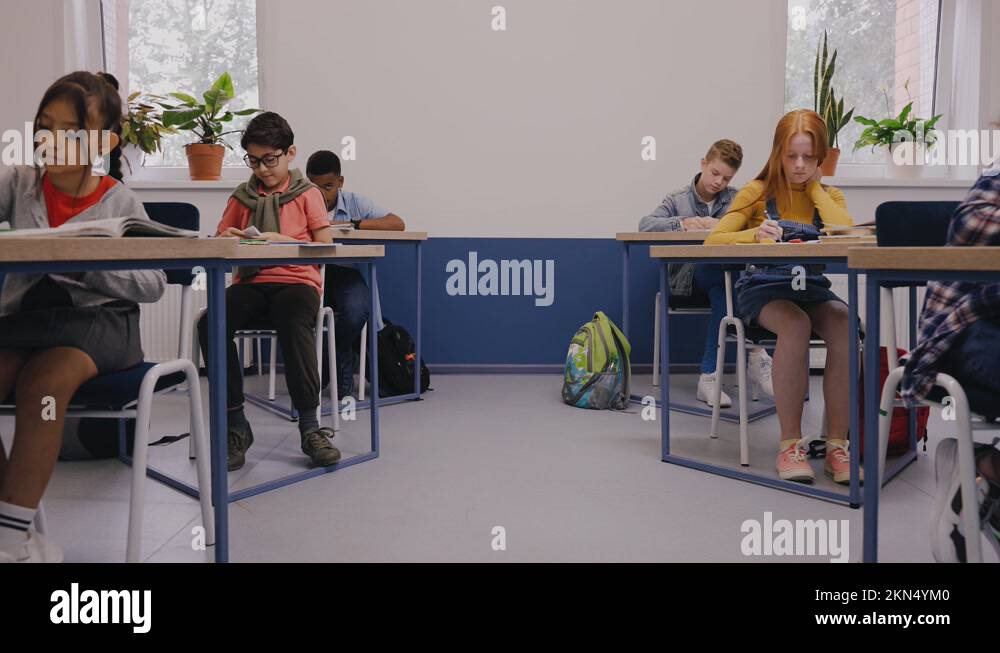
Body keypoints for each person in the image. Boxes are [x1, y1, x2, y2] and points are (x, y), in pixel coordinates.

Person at [0, 71, 166, 562]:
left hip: (101, 326)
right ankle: (16, 529)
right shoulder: (18, 183)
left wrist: (87, 263)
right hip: (27, 323)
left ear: (105, 141)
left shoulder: (120, 200)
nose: (50, 141)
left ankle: (9, 542)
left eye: (70, 131)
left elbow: (153, 283)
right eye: (43, 126)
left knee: (44, 386)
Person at [706, 109, 858, 485]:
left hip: (812, 288)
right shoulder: (757, 192)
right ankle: (790, 444)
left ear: (821, 158)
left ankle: (837, 444)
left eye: (809, 157)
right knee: (795, 323)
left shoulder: (829, 195)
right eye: (792, 156)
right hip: (763, 290)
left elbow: (848, 234)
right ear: (777, 154)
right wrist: (752, 235)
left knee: (843, 322)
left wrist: (817, 189)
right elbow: (714, 241)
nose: (800, 165)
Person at [197, 112, 340, 472]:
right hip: (252, 283)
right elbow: (220, 240)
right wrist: (229, 237)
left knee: (294, 319)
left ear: (290, 153)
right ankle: (235, 427)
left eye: (269, 160)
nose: (261, 169)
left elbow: (325, 243)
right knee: (210, 322)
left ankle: (310, 427)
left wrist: (280, 240)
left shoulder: (307, 194)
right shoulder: (241, 197)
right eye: (253, 160)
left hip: (297, 283)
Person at [639, 139, 772, 406]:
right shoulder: (678, 200)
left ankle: (709, 376)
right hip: (687, 279)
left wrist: (725, 228)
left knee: (726, 285)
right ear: (703, 164)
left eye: (726, 178)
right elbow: (645, 225)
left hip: (726, 280)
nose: (718, 182)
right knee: (728, 279)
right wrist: (683, 222)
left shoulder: (737, 199)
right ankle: (757, 354)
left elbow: (762, 226)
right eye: (715, 173)